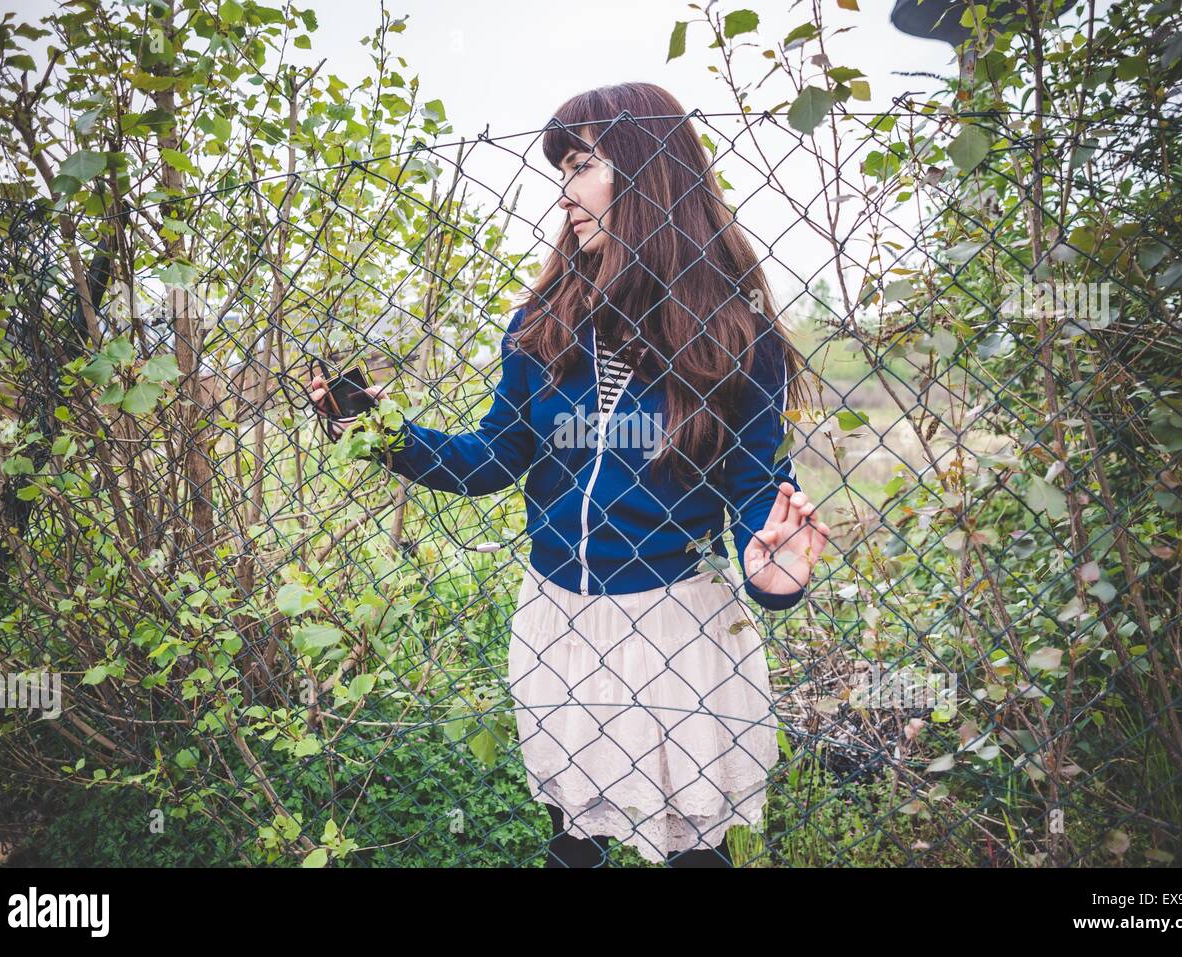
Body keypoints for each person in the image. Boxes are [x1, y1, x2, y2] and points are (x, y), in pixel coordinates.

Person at [310, 81, 829, 868]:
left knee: (692, 846)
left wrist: (773, 569)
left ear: (649, 170)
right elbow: (490, 458)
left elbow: (758, 489)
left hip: (673, 627)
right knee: (573, 840)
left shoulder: (734, 334)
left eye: (582, 164)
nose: (565, 191)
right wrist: (380, 431)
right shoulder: (541, 322)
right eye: (561, 170)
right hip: (557, 620)